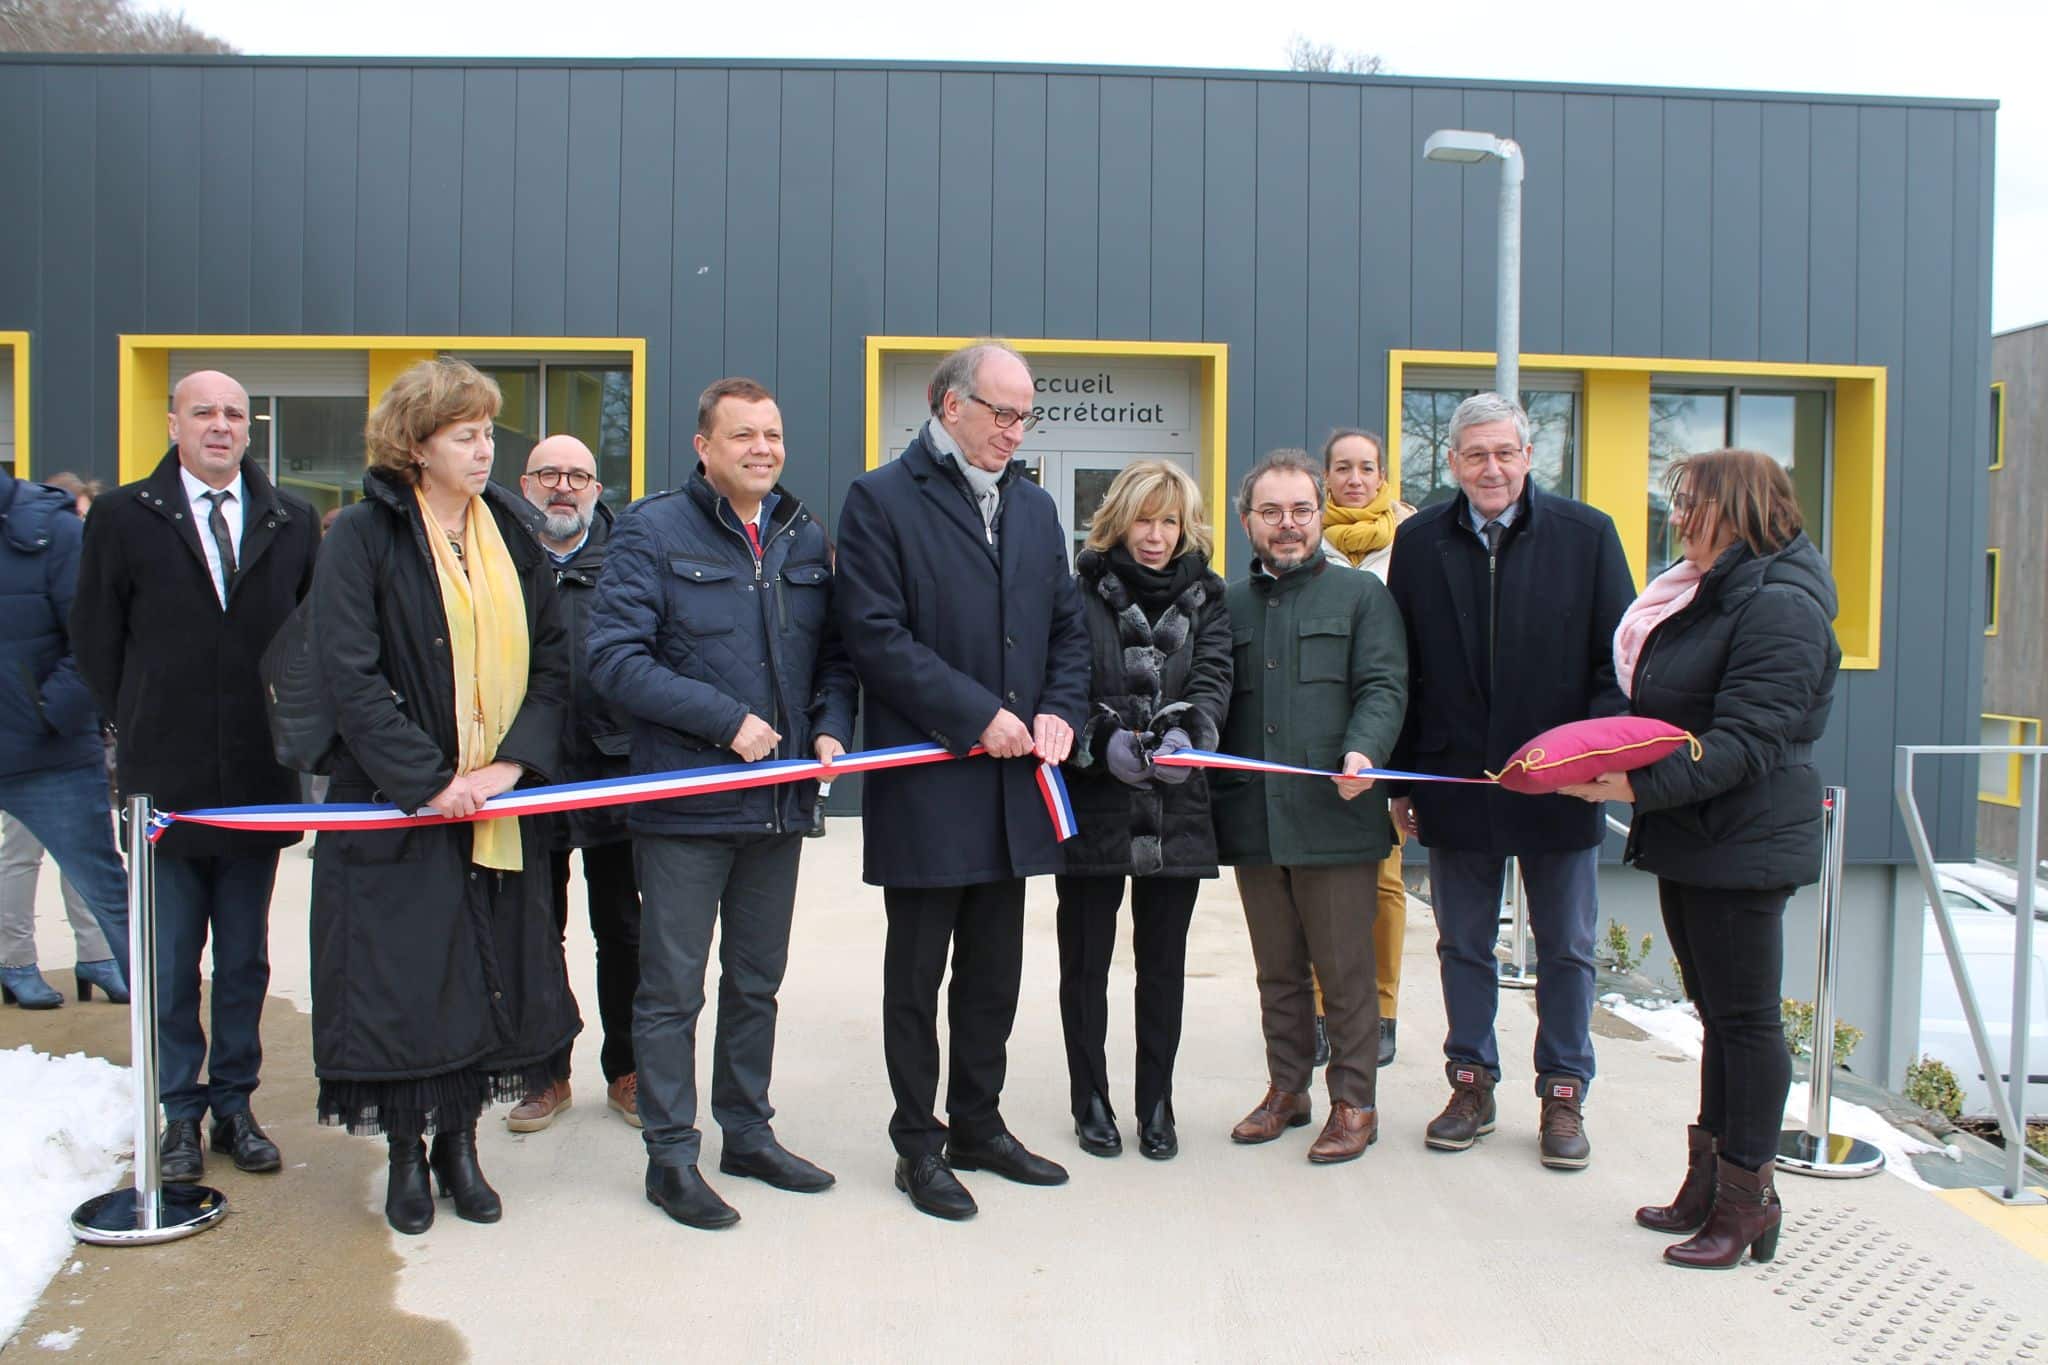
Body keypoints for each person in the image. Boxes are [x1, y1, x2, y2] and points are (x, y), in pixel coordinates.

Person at [306, 357, 579, 1235]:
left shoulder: (509, 528)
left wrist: (506, 769)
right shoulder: (362, 533)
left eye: (488, 434)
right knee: (403, 983)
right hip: (399, 806)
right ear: (415, 445)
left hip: (494, 807)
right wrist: (429, 782)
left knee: (482, 977)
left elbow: (555, 662)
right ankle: (404, 1155)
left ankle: (460, 1146)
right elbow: (349, 673)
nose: (484, 451)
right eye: (465, 436)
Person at [588, 377, 857, 1231]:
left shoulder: (802, 533)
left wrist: (827, 728)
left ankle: (748, 1131)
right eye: (742, 435)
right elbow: (614, 659)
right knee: (671, 988)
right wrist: (726, 721)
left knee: (756, 981)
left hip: (777, 805)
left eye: (772, 434)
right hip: (688, 807)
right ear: (703, 446)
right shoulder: (651, 530)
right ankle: (672, 1156)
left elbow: (835, 659)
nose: (762, 449)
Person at [1561, 449, 1839, 1268]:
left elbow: (1748, 741)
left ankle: (1748, 1201)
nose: (1676, 516)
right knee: (1718, 1017)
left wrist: (1632, 785)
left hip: (1740, 840)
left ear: (1742, 510)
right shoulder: (1712, 591)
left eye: (1692, 504)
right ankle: (1710, 1185)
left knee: (1746, 1022)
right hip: (1698, 835)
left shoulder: (1779, 606)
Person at [835, 340, 1090, 1221]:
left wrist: (1062, 709)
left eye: (1026, 416)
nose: (1016, 432)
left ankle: (979, 1123)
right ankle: (919, 1141)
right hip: (933, 784)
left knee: (995, 970)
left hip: (1015, 787)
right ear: (951, 406)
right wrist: (977, 712)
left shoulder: (1035, 508)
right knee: (918, 973)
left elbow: (1066, 628)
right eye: (1002, 413)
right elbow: (875, 634)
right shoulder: (880, 499)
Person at [73, 371, 320, 1181]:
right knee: (173, 959)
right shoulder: (122, 517)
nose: (220, 426)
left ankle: (234, 1105)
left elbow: (309, 641)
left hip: (255, 779)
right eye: (203, 412)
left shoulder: (291, 520)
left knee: (245, 957)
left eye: (235, 414)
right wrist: (142, 721)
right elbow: (97, 642)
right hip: (166, 788)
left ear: (252, 429)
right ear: (174, 421)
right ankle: (179, 1112)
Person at [1384, 392, 1634, 1169]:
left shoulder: (1587, 535)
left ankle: (1563, 1092)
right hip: (1456, 782)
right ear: (1451, 463)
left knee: (1567, 946)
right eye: (1474, 455)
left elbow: (1617, 662)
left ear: (1529, 456)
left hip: (1562, 784)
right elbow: (1405, 669)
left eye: (1505, 452)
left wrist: (1592, 758)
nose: (1491, 468)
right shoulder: (1420, 540)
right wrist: (1404, 780)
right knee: (1462, 943)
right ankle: (1471, 1082)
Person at [1213, 449, 1407, 1165]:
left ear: (1319, 514)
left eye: (1300, 510)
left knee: (1345, 969)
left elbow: (1384, 686)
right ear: (1247, 521)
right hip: (1257, 818)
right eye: (1272, 512)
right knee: (1277, 969)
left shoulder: (1362, 597)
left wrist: (1364, 750)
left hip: (1336, 813)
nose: (1288, 525)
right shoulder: (1227, 605)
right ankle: (1287, 1089)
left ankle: (1355, 1101)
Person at [1055, 460, 1231, 1162]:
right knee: (1086, 963)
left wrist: (1192, 730)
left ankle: (1156, 1102)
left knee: (1162, 965)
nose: (1156, 536)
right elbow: (1061, 682)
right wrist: (1099, 740)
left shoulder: (1208, 598)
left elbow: (1216, 679)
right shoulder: (1079, 592)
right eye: (1144, 518)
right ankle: (1089, 1097)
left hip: (1176, 807)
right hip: (1097, 801)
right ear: (1119, 518)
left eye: (1170, 521)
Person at [507, 434, 643, 1133]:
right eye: (549, 474)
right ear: (525, 483)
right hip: (525, 774)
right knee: (535, 928)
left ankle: (627, 1068)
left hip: (613, 770)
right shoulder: (498, 551)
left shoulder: (628, 553)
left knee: (622, 927)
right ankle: (544, 1072)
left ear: (597, 487)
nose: (564, 486)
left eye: (579, 475)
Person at [1, 468, 127, 1010]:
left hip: (46, 751)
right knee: (17, 860)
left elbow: (96, 639)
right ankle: (15, 962)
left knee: (104, 888)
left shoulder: (54, 530)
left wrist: (46, 713)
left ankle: (166, 1058)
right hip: (35, 735)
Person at [1317, 427, 1417, 1066]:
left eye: (1366, 468)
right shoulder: (1303, 536)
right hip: (1318, 731)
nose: (1355, 479)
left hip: (1389, 728)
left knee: (1382, 881)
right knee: (1317, 880)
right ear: (1326, 476)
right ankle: (1326, 1009)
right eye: (1343, 468)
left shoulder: (1413, 543)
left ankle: (1381, 1009)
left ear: (1382, 477)